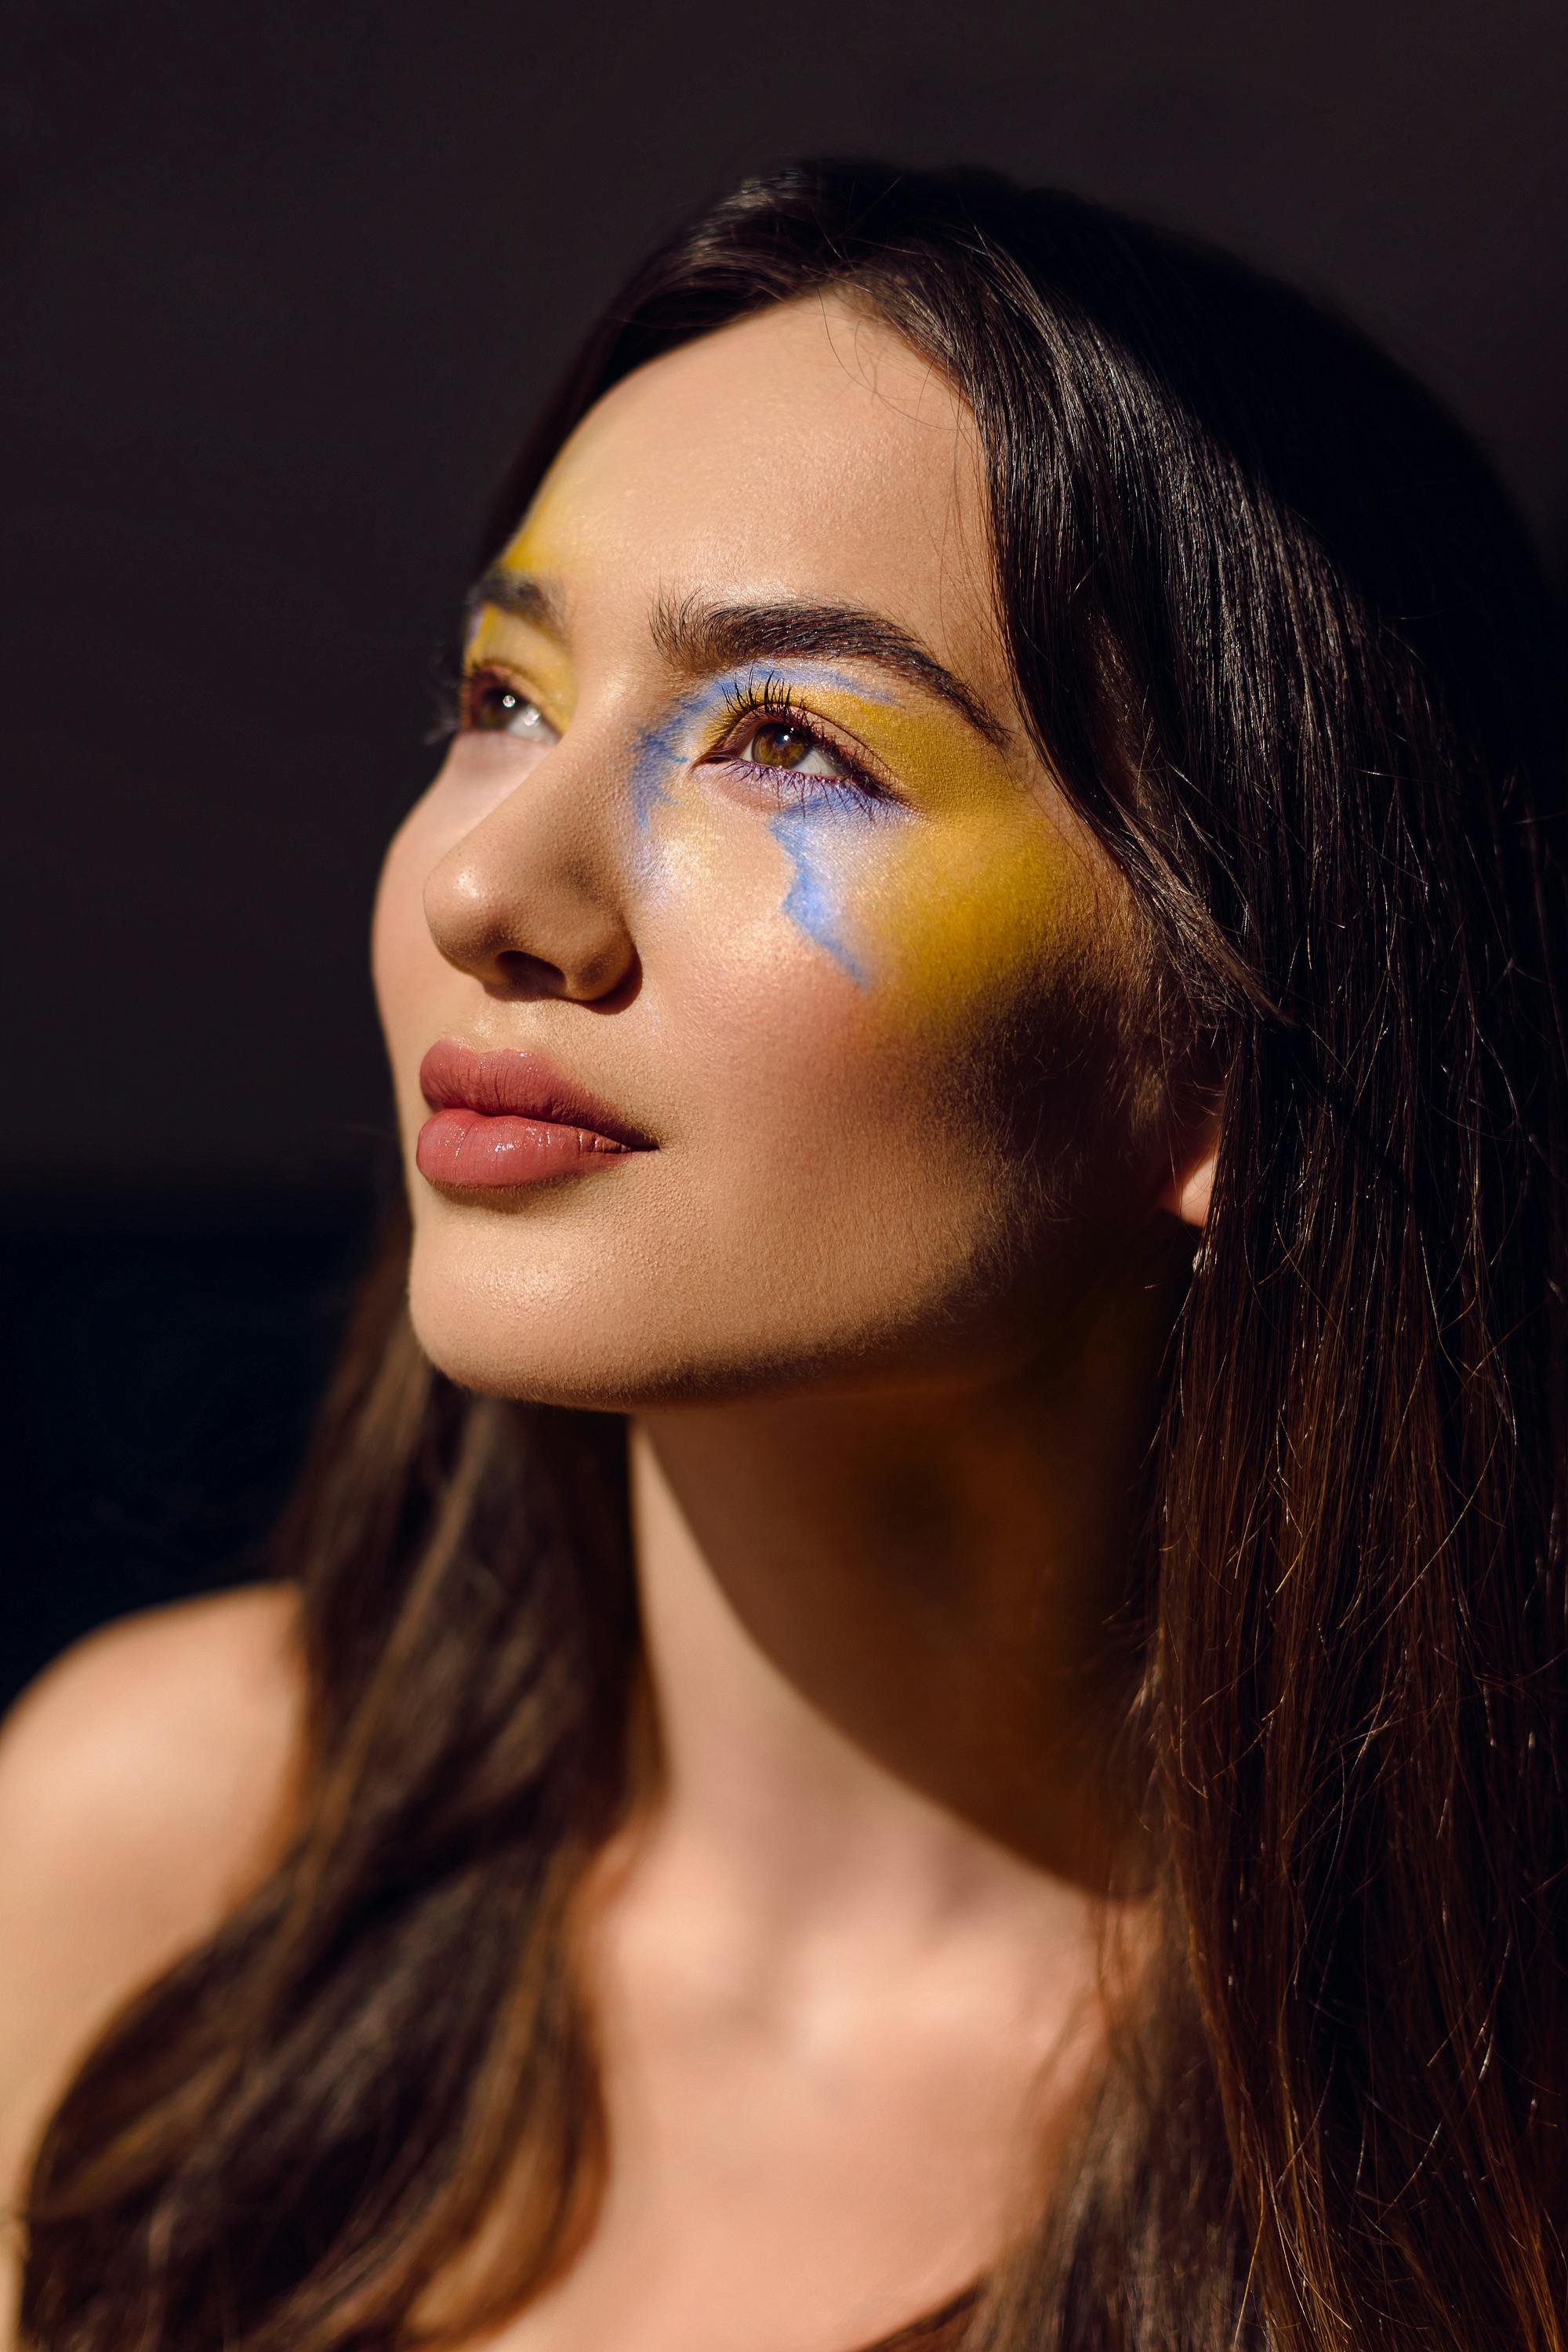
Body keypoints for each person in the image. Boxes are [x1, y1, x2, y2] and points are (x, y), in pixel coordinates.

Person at [2, 159, 1563, 2352]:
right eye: (501, 700)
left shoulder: (1477, 2166)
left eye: (783, 741)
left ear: (1229, 1041)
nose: (491, 888)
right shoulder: (151, 1863)